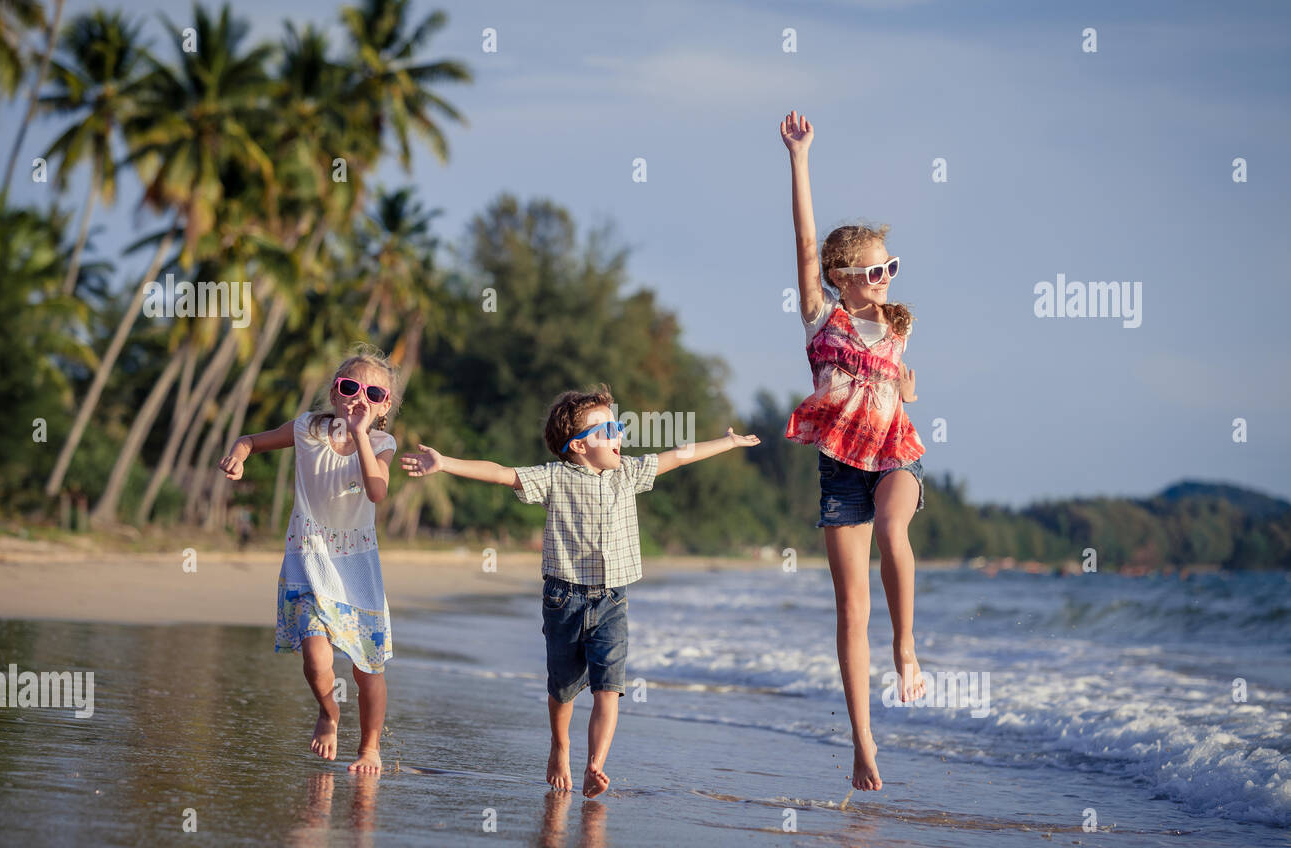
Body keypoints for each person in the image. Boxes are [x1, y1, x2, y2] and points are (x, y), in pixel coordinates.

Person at [400, 384, 759, 797]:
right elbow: (501, 473)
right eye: (607, 429)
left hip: (612, 601)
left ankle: (594, 765)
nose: (619, 434)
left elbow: (678, 455)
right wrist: (444, 463)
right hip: (563, 599)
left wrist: (728, 442)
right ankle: (560, 744)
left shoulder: (629, 474)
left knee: (609, 689)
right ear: (579, 445)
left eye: (618, 425)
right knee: (563, 687)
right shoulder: (554, 478)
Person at [780, 109, 928, 793]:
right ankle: (863, 745)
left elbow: (912, 386)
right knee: (849, 611)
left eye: (890, 268)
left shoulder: (897, 322)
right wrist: (800, 158)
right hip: (841, 468)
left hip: (895, 453)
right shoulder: (822, 317)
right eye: (873, 271)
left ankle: (906, 645)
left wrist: (907, 380)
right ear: (841, 276)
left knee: (895, 526)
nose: (885, 278)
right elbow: (806, 241)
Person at [219, 345, 399, 774]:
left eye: (373, 394)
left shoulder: (380, 443)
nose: (360, 398)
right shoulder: (307, 429)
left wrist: (359, 434)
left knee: (366, 668)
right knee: (316, 660)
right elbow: (250, 441)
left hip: (355, 567)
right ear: (335, 394)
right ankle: (328, 712)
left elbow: (376, 491)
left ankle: (370, 747)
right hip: (309, 557)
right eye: (351, 387)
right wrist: (239, 458)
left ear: (384, 406)